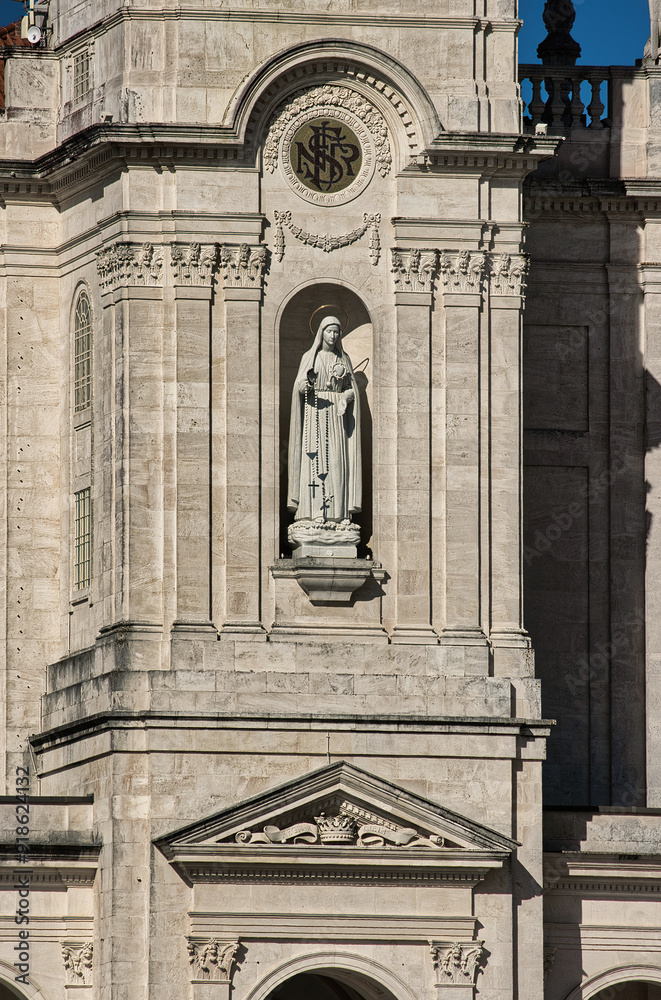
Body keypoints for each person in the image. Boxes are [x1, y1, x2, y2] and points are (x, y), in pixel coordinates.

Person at [287, 314, 361, 524]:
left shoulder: (343, 359)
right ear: (321, 333)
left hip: (337, 416)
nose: (333, 336)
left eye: (336, 332)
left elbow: (351, 388)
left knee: (337, 461)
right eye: (329, 331)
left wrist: (345, 398)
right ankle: (314, 512)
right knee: (315, 461)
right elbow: (300, 387)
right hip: (315, 412)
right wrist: (308, 385)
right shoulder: (310, 357)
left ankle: (339, 514)